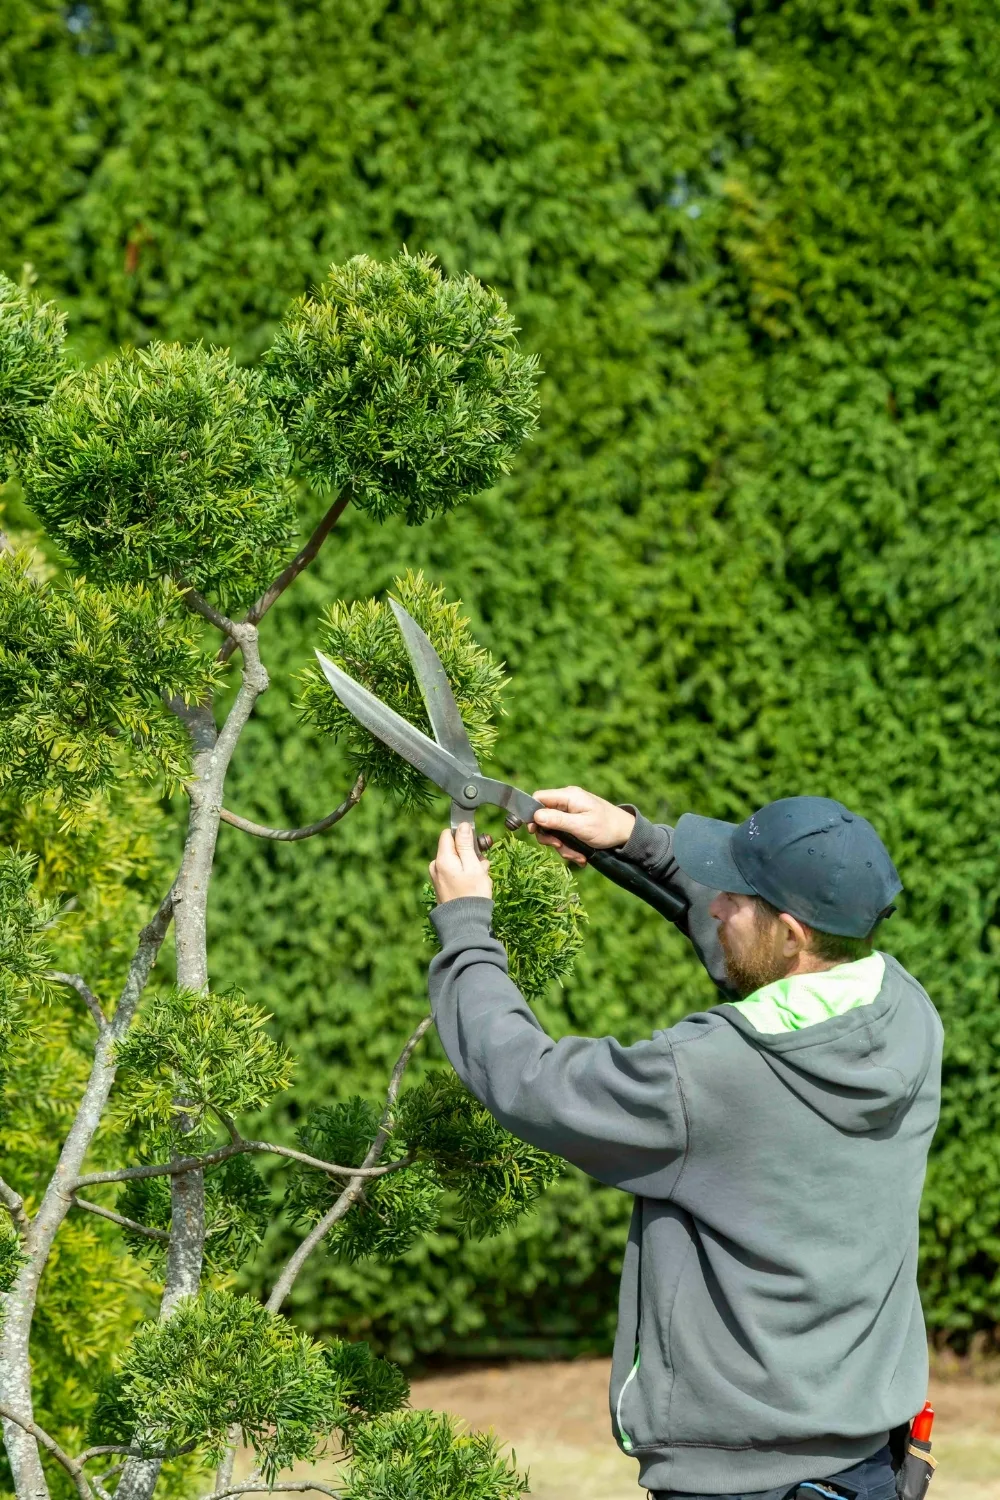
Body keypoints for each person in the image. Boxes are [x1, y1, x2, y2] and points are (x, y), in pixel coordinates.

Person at [426, 788, 942, 1500]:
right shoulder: (906, 1014)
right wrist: (631, 841)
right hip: (869, 1468)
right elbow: (754, 953)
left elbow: (530, 1082)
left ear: (792, 934)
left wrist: (465, 929)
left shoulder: (710, 1073)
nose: (717, 905)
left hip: (743, 1487)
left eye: (735, 895)